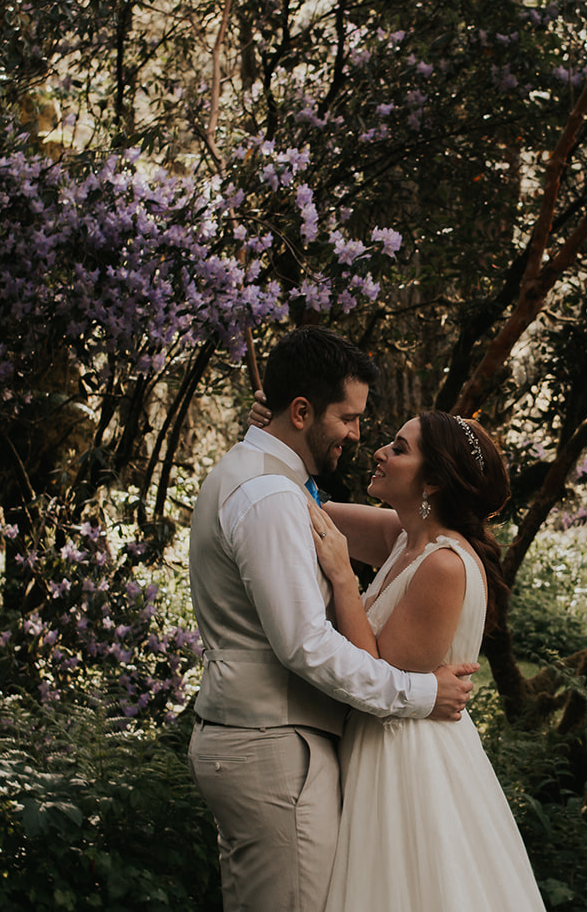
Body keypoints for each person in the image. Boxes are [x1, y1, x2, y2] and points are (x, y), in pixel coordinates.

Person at [187, 325, 477, 912]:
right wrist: (421, 693)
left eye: (392, 442)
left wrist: (272, 429)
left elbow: (409, 530)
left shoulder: (286, 490)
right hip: (273, 746)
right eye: (348, 418)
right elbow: (304, 645)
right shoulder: (271, 496)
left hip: (277, 743)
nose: (360, 436)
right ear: (301, 412)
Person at [249, 394, 546, 910]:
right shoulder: (403, 537)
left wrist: (344, 577)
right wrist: (274, 433)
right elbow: (304, 507)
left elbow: (375, 675)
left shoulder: (445, 565)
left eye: (400, 449)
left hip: (405, 764)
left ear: (431, 481)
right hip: (376, 746)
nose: (380, 452)